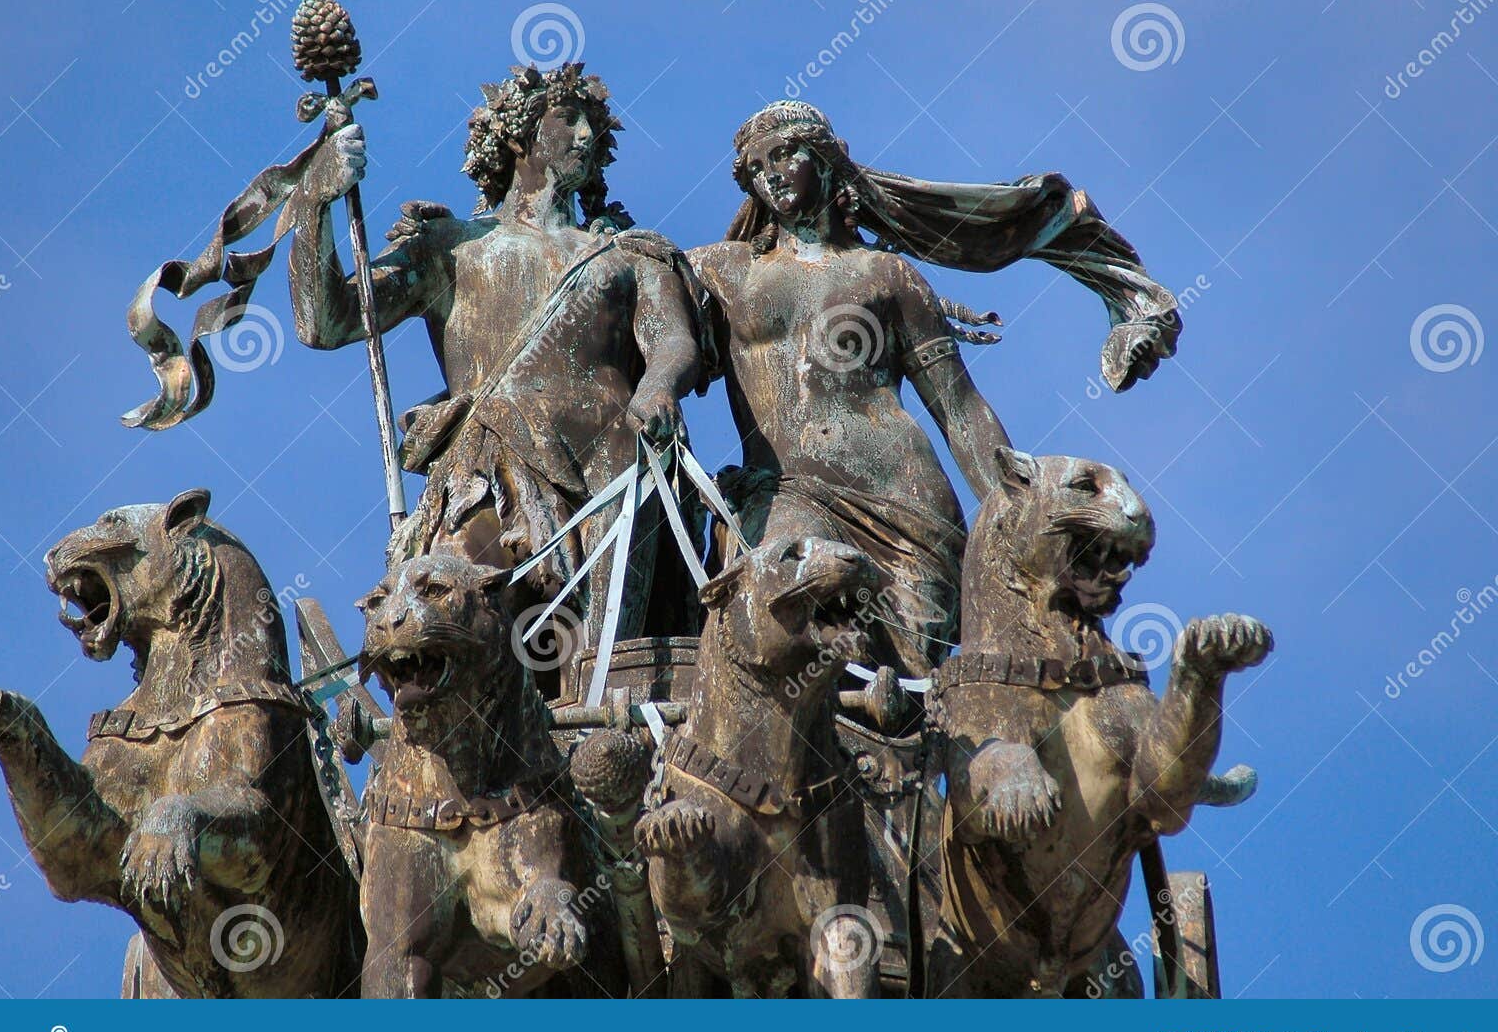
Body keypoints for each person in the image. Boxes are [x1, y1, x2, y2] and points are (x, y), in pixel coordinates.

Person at [688, 100, 1180, 697]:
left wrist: (1013, 505)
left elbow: (958, 407)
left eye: (787, 154)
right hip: (790, 493)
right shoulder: (723, 272)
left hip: (908, 506)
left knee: (913, 690)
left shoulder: (887, 276)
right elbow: (635, 306)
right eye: (757, 166)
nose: (773, 172)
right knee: (789, 604)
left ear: (825, 159)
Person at [288, 63, 711, 658]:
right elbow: (325, 320)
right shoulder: (452, 246)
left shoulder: (627, 255)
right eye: (569, 120)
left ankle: (607, 665)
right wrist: (317, 203)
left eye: (593, 127)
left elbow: (673, 340)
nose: (585, 138)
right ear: (518, 132)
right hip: (491, 470)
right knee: (466, 615)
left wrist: (661, 383)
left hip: (615, 459)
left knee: (609, 625)